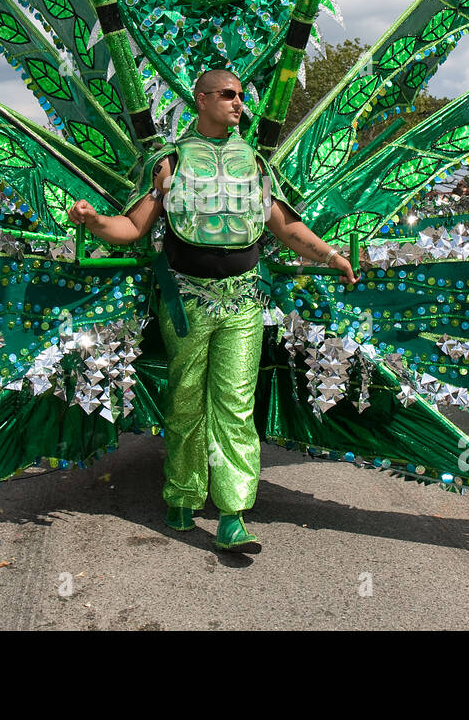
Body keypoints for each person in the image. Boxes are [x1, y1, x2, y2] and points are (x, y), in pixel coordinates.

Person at [69, 69, 356, 553]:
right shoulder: (170, 162)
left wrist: (331, 256)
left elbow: (286, 228)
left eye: (241, 95)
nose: (237, 103)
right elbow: (133, 229)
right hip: (185, 298)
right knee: (184, 400)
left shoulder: (257, 163)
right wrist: (94, 220)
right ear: (201, 100)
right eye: (227, 94)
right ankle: (182, 492)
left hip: (243, 299)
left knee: (235, 404)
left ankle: (232, 513)